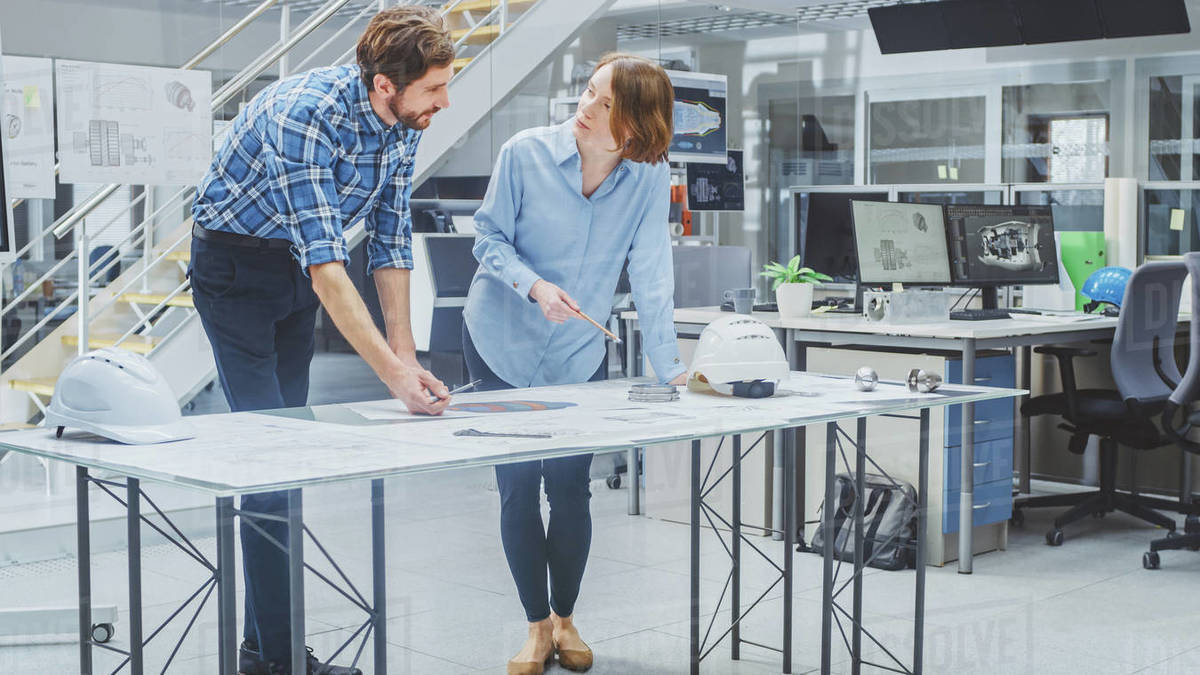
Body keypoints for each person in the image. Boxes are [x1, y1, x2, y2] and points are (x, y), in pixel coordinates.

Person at [189, 7, 454, 674]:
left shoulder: (403, 121)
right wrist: (391, 379)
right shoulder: (302, 114)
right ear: (385, 85)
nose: (444, 103)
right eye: (434, 89)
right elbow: (330, 269)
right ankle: (279, 661)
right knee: (270, 458)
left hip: (292, 271)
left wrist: (406, 357)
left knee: (291, 456)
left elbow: (389, 241)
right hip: (233, 270)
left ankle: (263, 652)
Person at [462, 53, 687, 675]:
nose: (585, 109)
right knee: (517, 488)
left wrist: (670, 369)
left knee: (570, 488)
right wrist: (534, 286)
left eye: (606, 104)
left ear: (637, 128)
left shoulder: (646, 178)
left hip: (576, 352)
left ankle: (565, 618)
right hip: (500, 339)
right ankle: (536, 629)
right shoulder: (524, 153)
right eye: (588, 93)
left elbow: (650, 272)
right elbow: (487, 238)